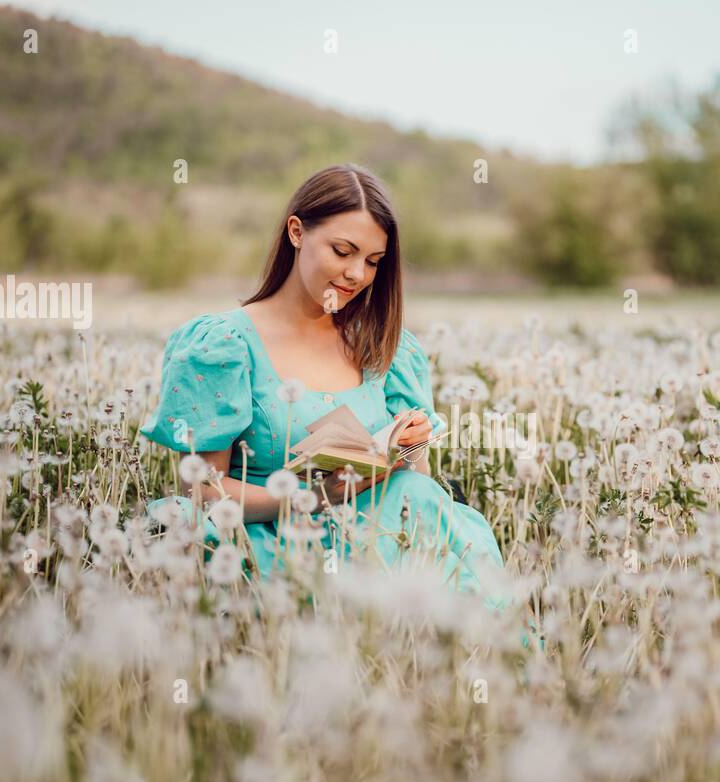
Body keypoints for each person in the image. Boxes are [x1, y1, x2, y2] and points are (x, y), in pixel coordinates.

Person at [140, 163, 539, 647]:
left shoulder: (384, 347)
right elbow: (202, 491)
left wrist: (403, 447)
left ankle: (469, 661)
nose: (356, 274)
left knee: (422, 500)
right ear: (296, 232)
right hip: (272, 537)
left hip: (377, 531)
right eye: (342, 251)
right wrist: (318, 496)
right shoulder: (223, 345)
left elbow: (416, 475)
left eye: (373, 261)